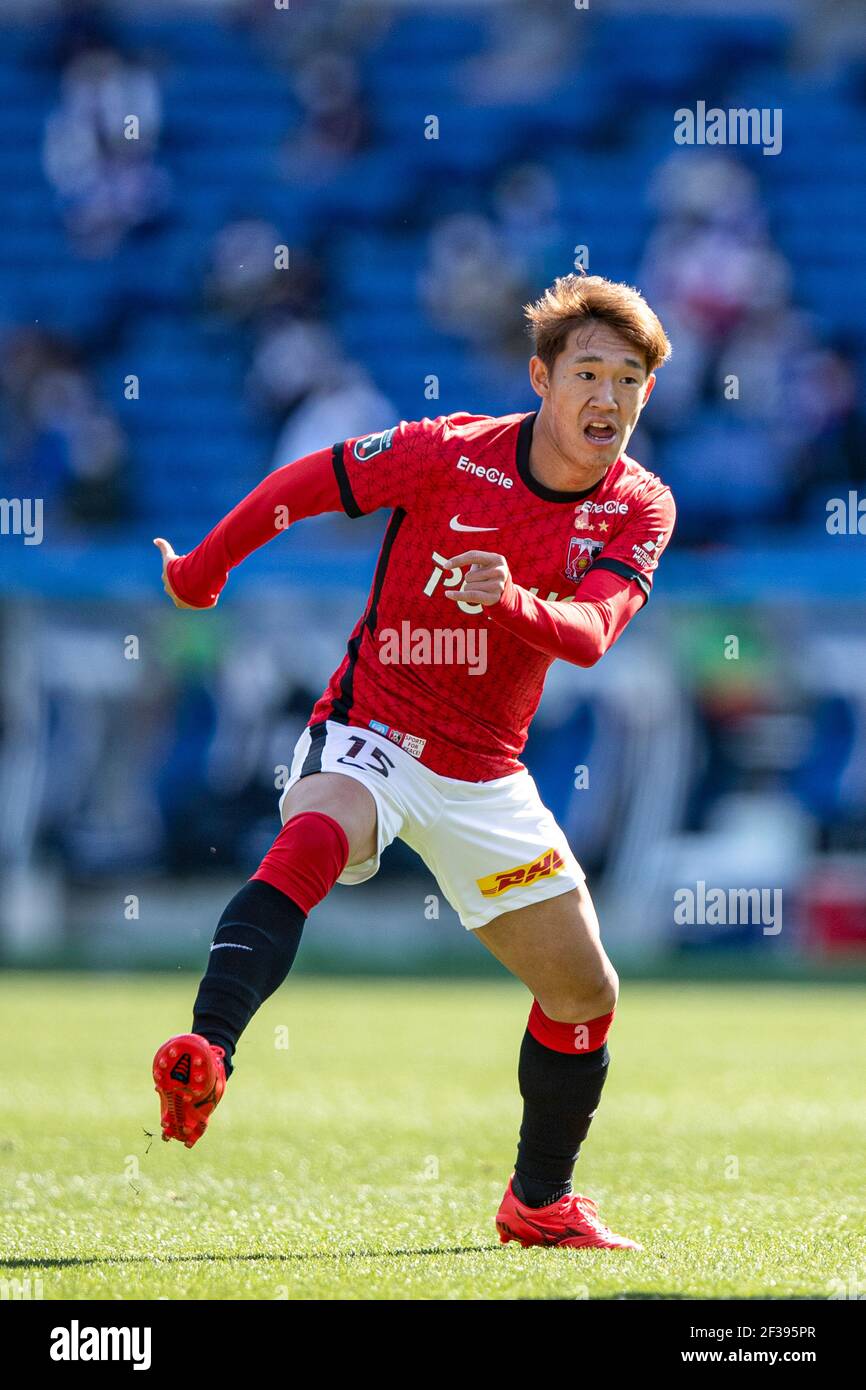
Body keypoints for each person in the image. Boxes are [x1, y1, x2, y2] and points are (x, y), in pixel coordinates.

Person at [151, 272, 675, 1250]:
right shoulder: (447, 452)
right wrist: (205, 566)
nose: (606, 398)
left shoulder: (639, 506)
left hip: (484, 775)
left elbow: (593, 629)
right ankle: (206, 1048)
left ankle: (537, 1203)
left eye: (628, 378)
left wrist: (508, 599)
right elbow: (306, 483)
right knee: (315, 830)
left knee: (582, 996)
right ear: (540, 378)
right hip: (374, 727)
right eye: (587, 372)